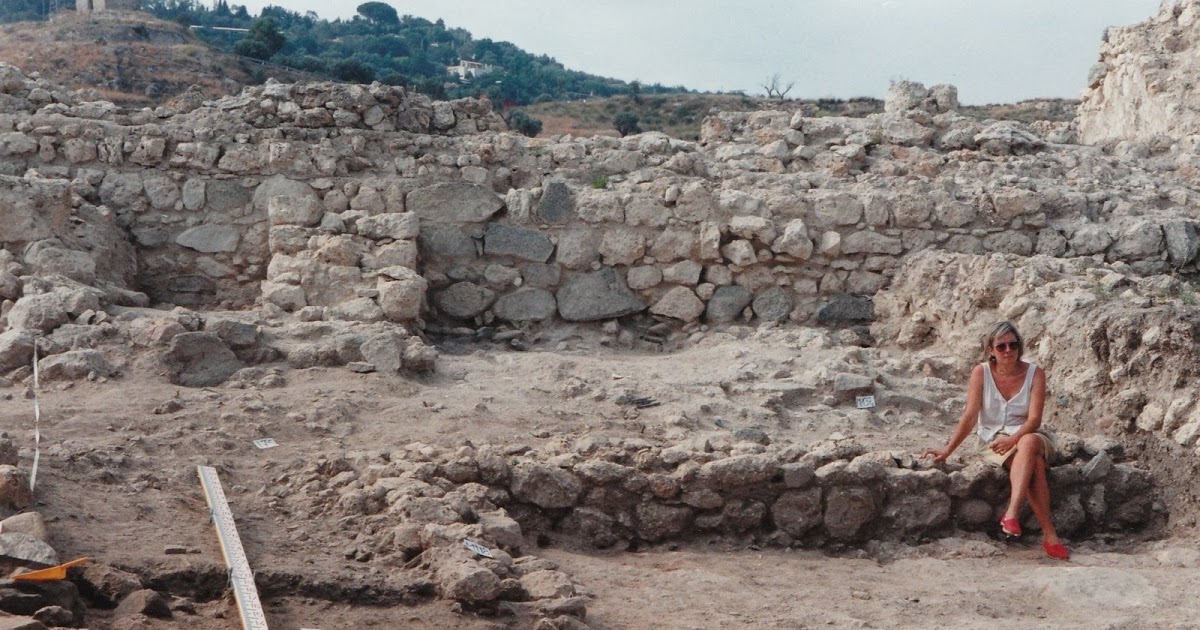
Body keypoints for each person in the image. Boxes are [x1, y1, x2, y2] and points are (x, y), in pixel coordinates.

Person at [922, 321, 1069, 561]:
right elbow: (970, 416)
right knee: (1036, 467)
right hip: (992, 439)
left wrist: (1013, 439)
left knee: (1029, 442)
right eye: (1001, 346)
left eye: (1013, 345)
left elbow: (1034, 420)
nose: (1008, 350)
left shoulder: (1035, 373)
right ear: (990, 350)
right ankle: (1049, 534)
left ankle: (1012, 512)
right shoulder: (981, 373)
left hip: (1027, 435)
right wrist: (948, 450)